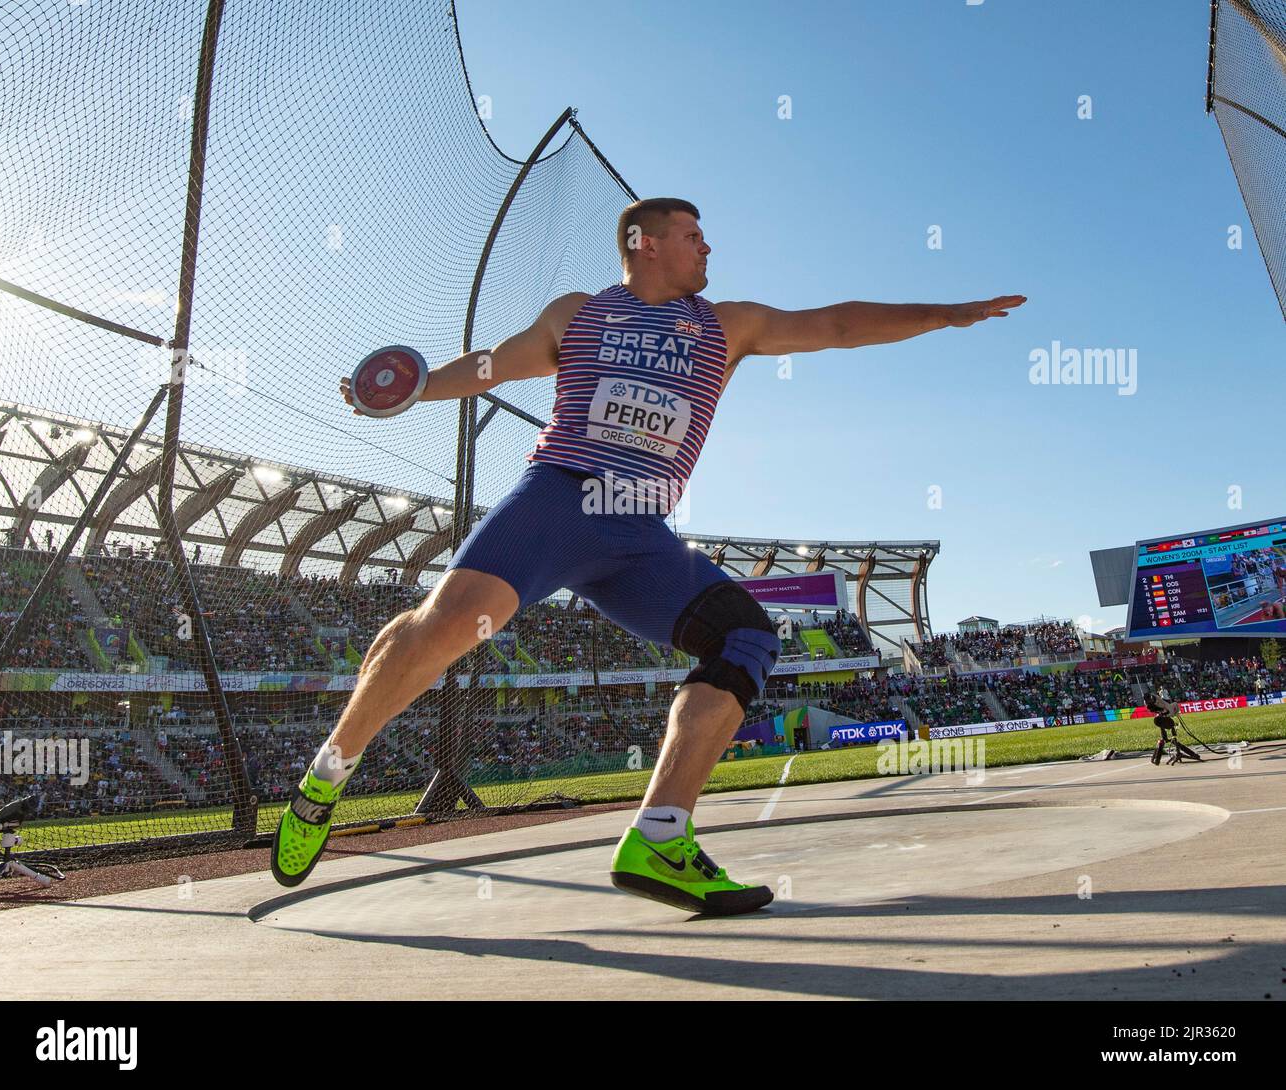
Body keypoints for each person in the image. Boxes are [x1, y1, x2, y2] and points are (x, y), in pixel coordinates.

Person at [270, 197, 1024, 914]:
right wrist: (412, 389)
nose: (707, 248)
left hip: (639, 534)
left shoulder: (730, 325)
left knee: (747, 637)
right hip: (560, 498)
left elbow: (832, 323)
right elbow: (494, 366)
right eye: (694, 234)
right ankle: (330, 771)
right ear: (647, 241)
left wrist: (945, 315)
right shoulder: (580, 313)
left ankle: (660, 840)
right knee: (453, 625)